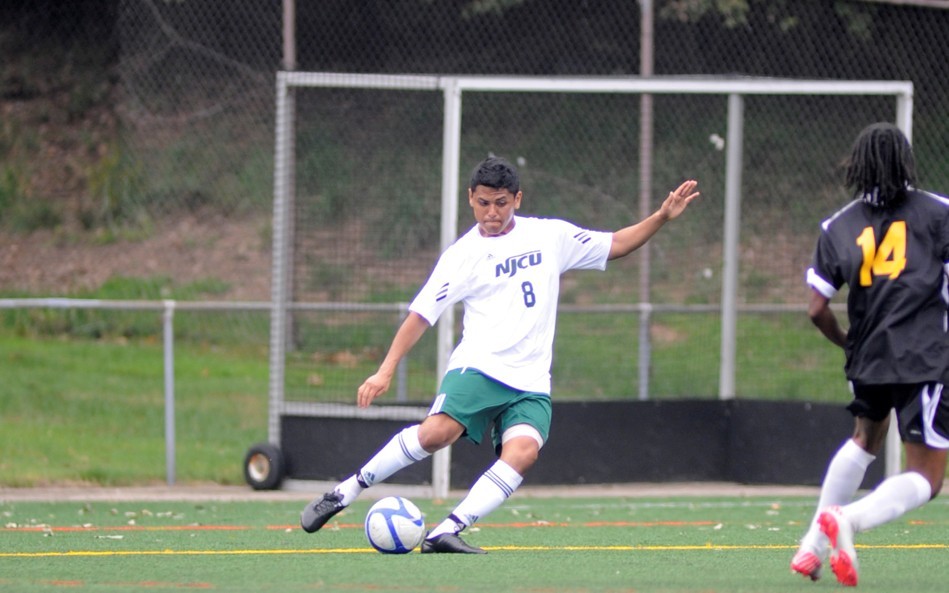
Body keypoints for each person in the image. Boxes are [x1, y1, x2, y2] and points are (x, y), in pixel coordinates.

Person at [300, 155, 699, 553]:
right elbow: (421, 316)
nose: (492, 213)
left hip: (530, 381)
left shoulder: (550, 236)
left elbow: (617, 243)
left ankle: (446, 531)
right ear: (470, 199)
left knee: (523, 453)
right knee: (437, 433)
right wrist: (384, 371)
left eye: (502, 203)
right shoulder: (461, 256)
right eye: (484, 203)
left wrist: (662, 216)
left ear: (518, 200)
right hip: (480, 367)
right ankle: (344, 492)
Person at [790, 122, 949, 586]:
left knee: (865, 438)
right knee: (928, 476)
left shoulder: (837, 225)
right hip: (923, 357)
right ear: (905, 162)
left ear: (857, 166)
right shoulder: (938, 213)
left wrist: (847, 342)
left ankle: (810, 547)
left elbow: (816, 307)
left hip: (868, 358)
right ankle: (849, 520)